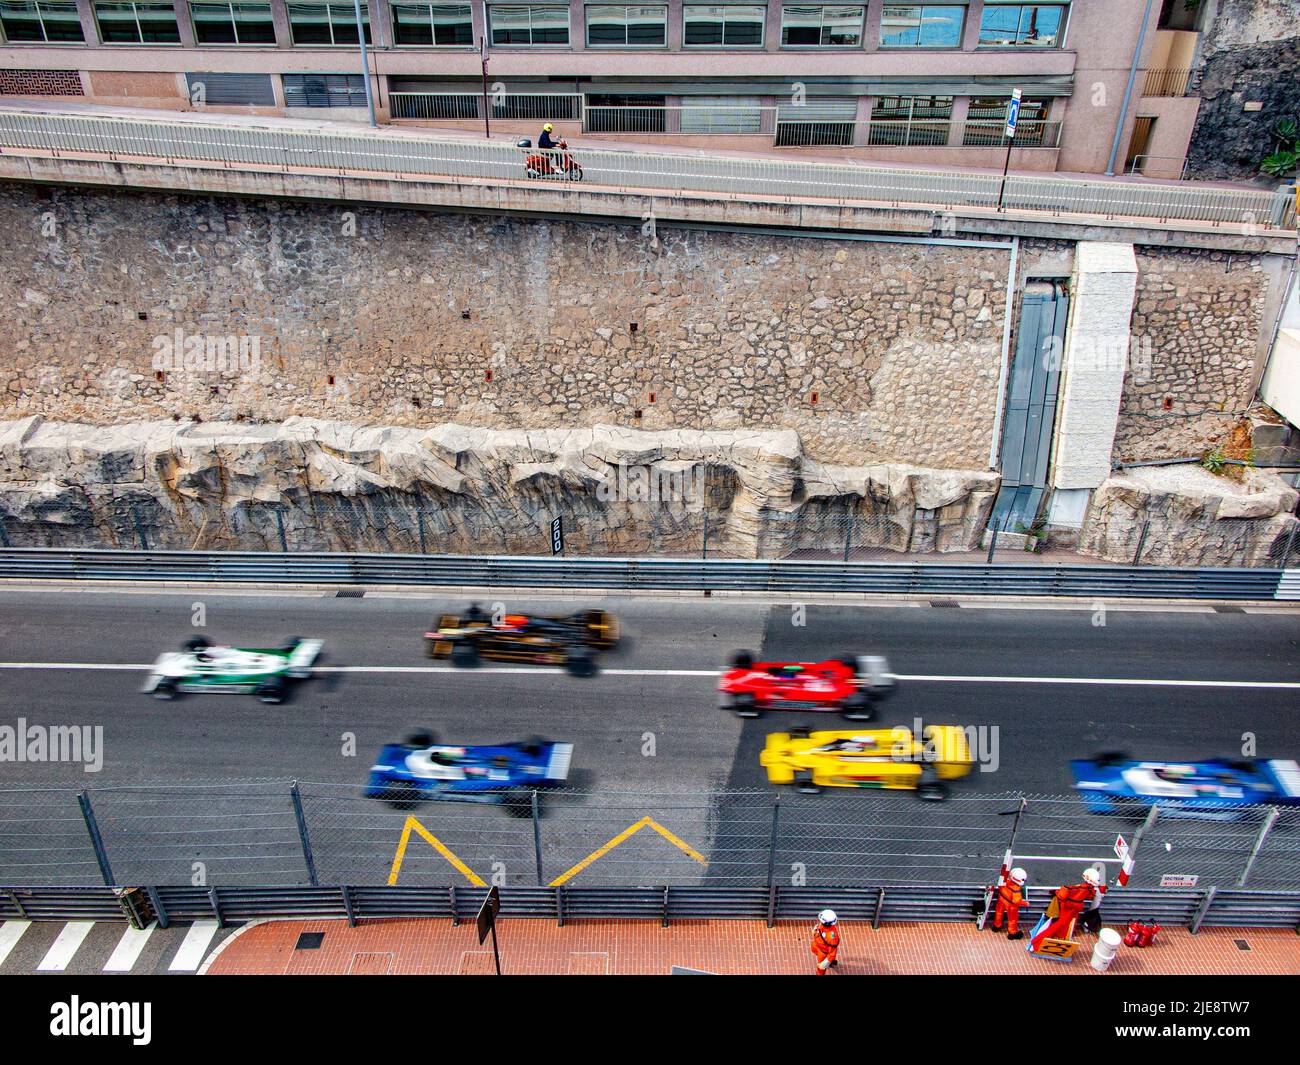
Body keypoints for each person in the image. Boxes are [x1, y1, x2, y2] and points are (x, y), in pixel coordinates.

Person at [991, 867, 1028, 940]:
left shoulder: (1005, 881)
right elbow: (1016, 901)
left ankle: (996, 926)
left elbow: (1000, 885)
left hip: (1001, 899)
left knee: (999, 913)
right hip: (1011, 905)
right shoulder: (1016, 889)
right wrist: (1025, 903)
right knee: (1012, 919)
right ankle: (1012, 933)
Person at [811, 909, 840, 975]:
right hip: (817, 946)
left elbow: (832, 953)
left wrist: (824, 963)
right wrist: (814, 933)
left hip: (823, 953)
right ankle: (831, 962)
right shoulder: (822, 925)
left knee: (820, 969)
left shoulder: (832, 937)